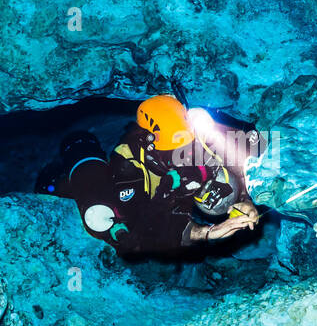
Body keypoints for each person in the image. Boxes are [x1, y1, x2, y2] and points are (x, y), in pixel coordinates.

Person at [36, 94, 265, 255]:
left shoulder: (200, 134)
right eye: (174, 152)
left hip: (179, 192)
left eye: (187, 147)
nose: (184, 156)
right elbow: (141, 232)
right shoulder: (129, 169)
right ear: (152, 146)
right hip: (149, 196)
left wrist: (246, 199)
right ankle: (55, 182)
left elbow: (253, 149)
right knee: (93, 206)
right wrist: (207, 233)